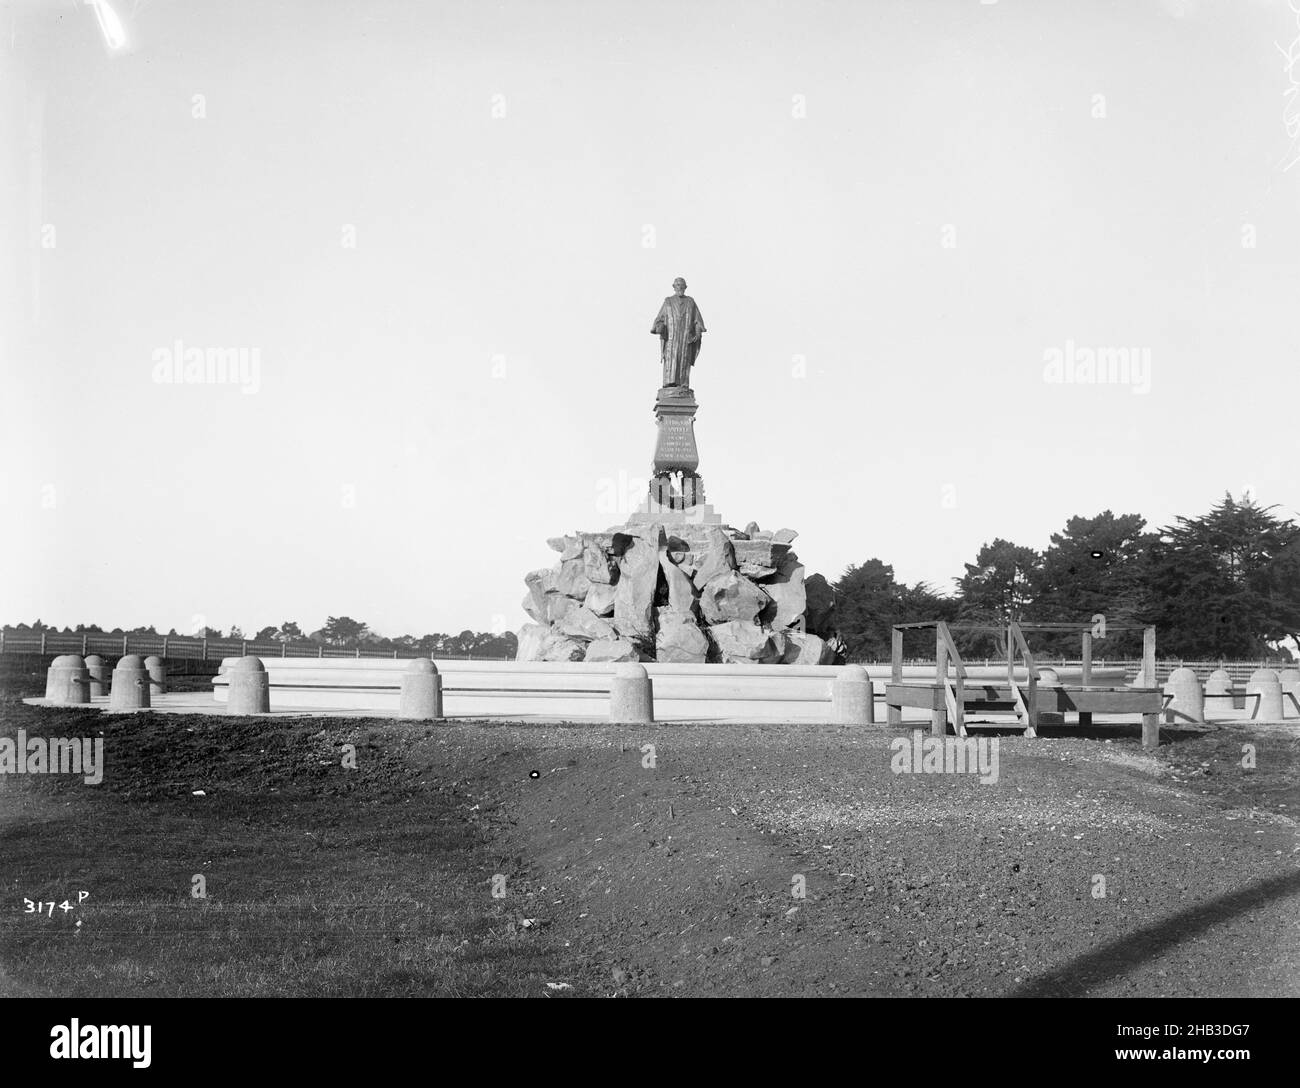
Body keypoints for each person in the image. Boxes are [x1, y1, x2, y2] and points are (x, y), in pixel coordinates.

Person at [651, 277, 706, 389]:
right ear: (674, 287)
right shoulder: (668, 302)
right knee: (671, 359)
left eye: (682, 285)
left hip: (686, 339)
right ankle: (669, 383)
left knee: (684, 360)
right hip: (671, 338)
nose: (680, 287)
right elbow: (659, 319)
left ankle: (683, 384)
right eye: (678, 285)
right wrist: (659, 327)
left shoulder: (690, 302)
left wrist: (698, 331)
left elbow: (697, 320)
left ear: (685, 287)